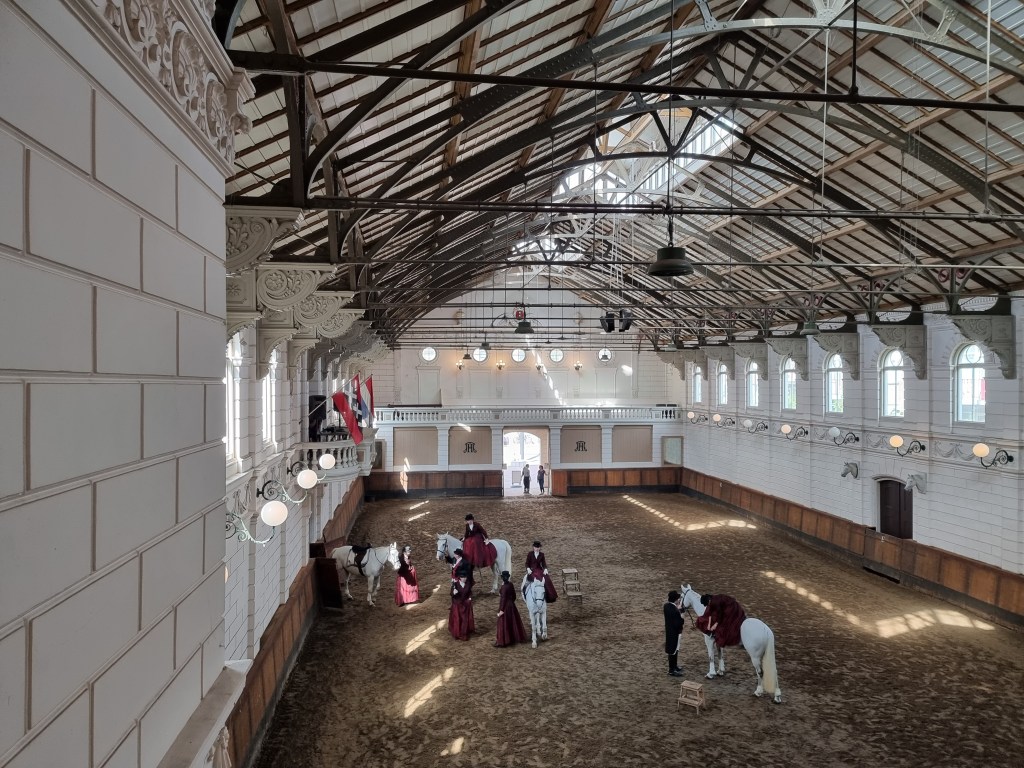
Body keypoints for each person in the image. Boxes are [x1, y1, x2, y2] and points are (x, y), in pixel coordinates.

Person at [494, 571, 528, 647]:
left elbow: (503, 599)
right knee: (513, 622)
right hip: (511, 605)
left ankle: (503, 641)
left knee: (503, 623)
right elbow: (514, 596)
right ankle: (512, 638)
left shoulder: (503, 587)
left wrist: (501, 610)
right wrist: (511, 603)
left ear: (502, 578)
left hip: (505, 607)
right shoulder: (511, 584)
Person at [448, 568, 475, 641]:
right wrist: (454, 592)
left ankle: (464, 632)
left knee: (465, 619)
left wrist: (470, 598)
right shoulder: (455, 585)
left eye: (465, 577)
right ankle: (457, 633)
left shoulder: (468, 584)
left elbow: (470, 593)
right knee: (458, 619)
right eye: (463, 577)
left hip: (465, 604)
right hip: (458, 605)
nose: (464, 579)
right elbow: (451, 594)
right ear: (460, 578)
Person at [664, 590, 684, 676]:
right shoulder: (675, 610)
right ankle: (671, 670)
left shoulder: (666, 606)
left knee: (674, 650)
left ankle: (674, 666)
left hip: (669, 632)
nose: (679, 600)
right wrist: (681, 616)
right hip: (675, 633)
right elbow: (678, 622)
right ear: (675, 599)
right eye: (678, 599)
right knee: (673, 650)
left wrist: (678, 609)